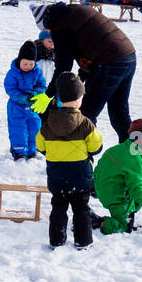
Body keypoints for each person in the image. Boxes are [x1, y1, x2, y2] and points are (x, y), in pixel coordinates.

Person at [32, 1, 139, 143]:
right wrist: (80, 78)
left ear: (48, 21)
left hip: (109, 61)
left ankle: (82, 160)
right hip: (128, 55)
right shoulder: (73, 11)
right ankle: (134, 156)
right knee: (119, 112)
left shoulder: (60, 26)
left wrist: (48, 95)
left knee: (86, 112)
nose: (49, 32)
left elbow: (64, 66)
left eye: (46, 29)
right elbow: (88, 46)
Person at [36, 72, 104, 249]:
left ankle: (56, 241)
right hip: (80, 176)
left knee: (58, 207)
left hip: (57, 175)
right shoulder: (85, 123)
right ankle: (83, 241)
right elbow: (96, 147)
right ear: (78, 100)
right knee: (81, 208)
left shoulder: (48, 123)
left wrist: (54, 153)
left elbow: (40, 145)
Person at [94, 119, 142, 235]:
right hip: (114, 197)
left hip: (103, 187)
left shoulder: (118, 149)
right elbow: (136, 192)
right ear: (141, 143)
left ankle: (127, 215)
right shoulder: (133, 160)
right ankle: (96, 221)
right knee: (124, 227)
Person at [4, 41, 46, 160]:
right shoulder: (13, 73)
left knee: (34, 127)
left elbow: (42, 86)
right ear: (19, 61)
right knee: (18, 128)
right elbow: (10, 89)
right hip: (16, 107)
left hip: (32, 107)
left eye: (31, 64)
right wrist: (23, 98)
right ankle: (19, 151)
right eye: (25, 64)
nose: (28, 66)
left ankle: (32, 150)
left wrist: (35, 94)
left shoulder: (37, 72)